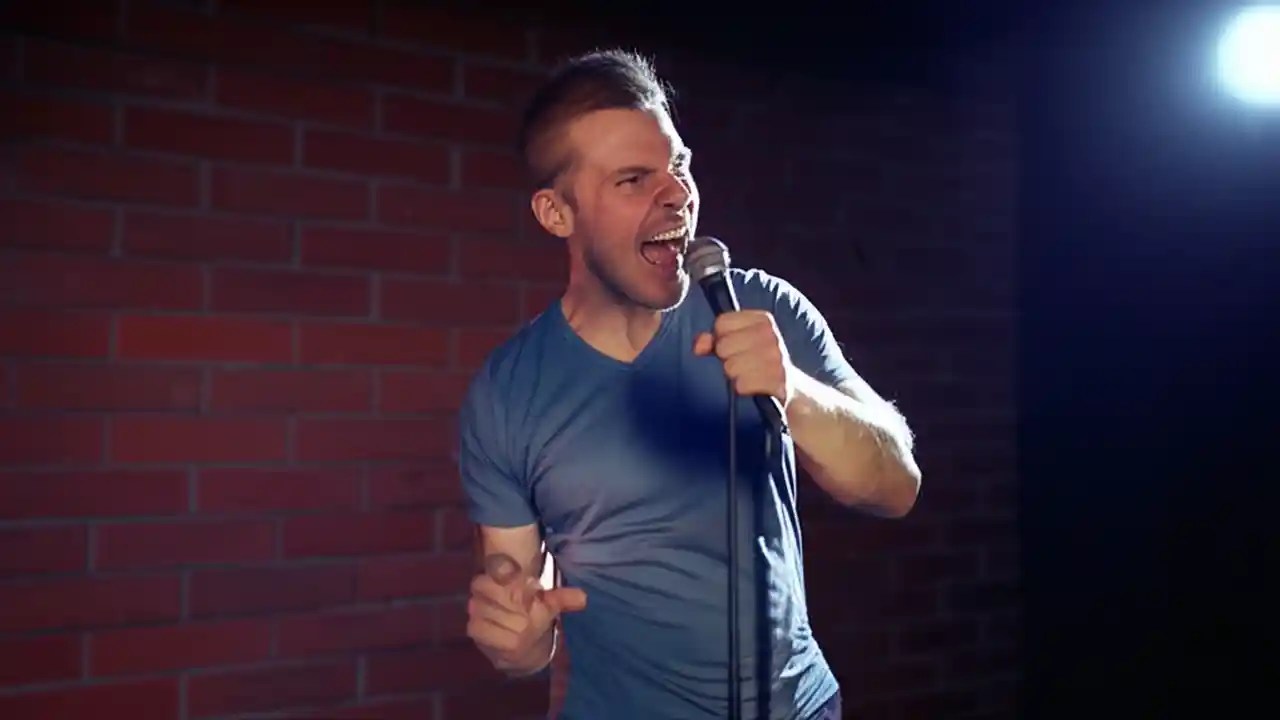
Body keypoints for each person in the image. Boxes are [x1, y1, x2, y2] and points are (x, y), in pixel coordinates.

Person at [458, 48, 921, 720]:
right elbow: (519, 611)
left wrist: (791, 390)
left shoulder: (760, 308)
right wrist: (519, 641)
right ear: (557, 213)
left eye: (678, 166)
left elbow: (897, 484)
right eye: (633, 179)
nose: (676, 193)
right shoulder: (507, 392)